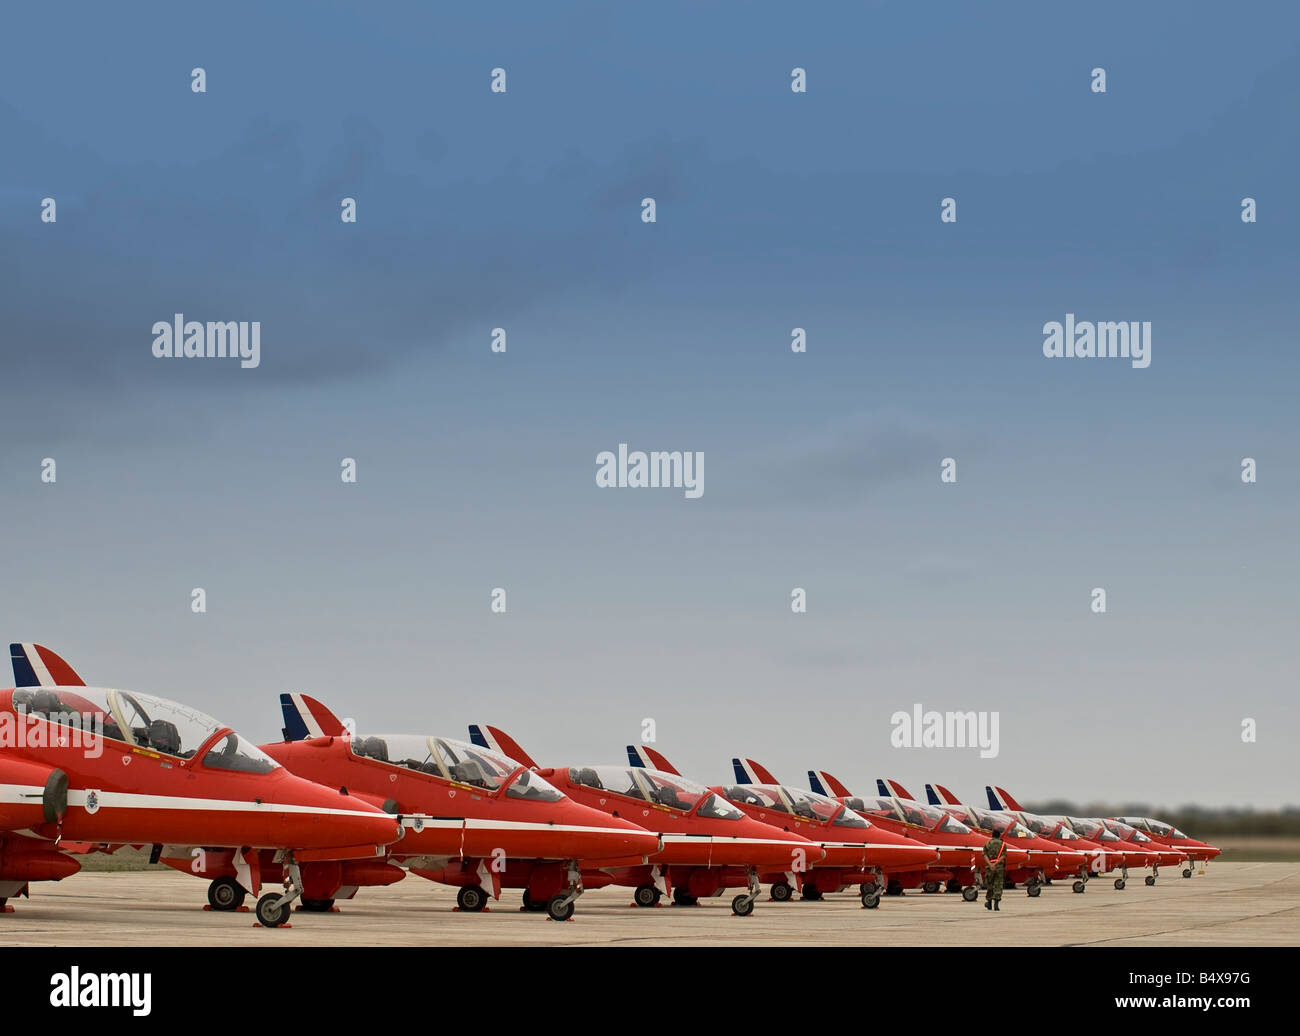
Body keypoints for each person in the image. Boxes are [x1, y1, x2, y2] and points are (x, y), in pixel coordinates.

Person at [983, 827, 1007, 911]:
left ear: (992, 835)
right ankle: (996, 905)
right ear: (999, 835)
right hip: (999, 867)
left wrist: (990, 864)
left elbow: (984, 855)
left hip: (989, 867)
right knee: (998, 884)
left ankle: (989, 903)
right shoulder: (1003, 844)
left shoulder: (987, 843)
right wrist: (996, 864)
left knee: (990, 884)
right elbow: (1003, 856)